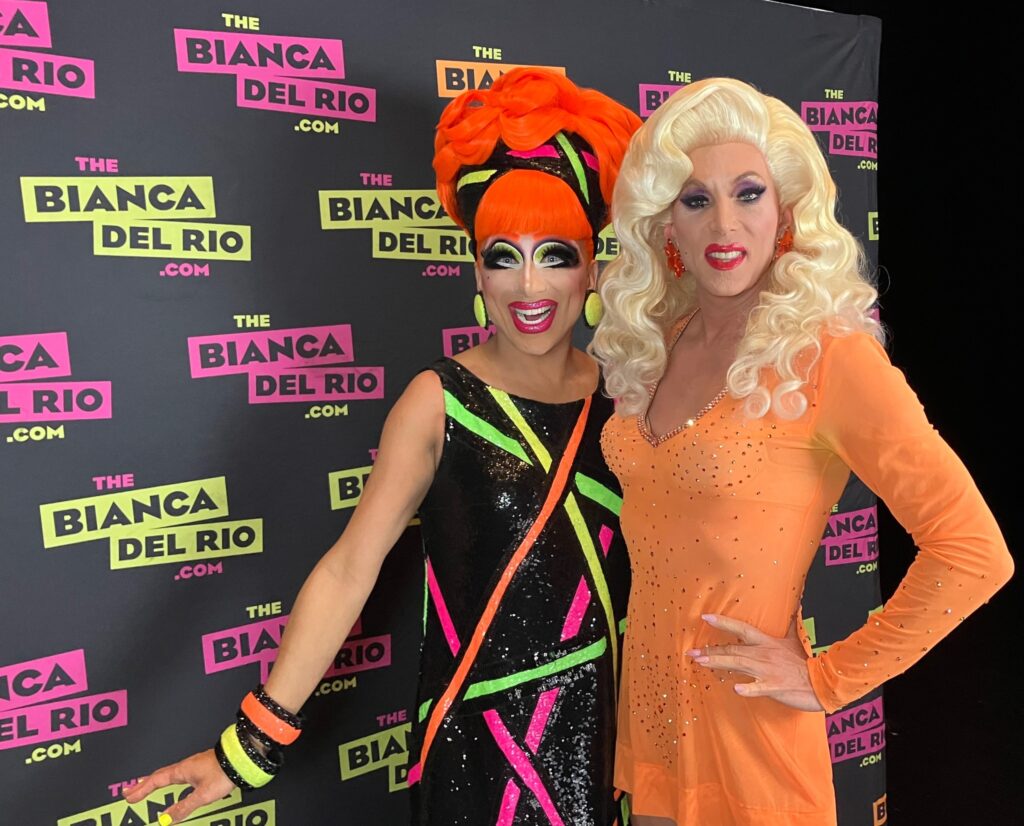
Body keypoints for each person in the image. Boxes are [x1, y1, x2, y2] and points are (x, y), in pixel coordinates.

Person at [124, 67, 641, 826]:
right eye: (503, 255)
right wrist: (248, 747)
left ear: (593, 267)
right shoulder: (437, 401)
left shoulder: (630, 397)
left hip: (615, 747)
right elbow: (348, 569)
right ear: (476, 272)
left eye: (556, 254)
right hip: (478, 755)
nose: (530, 286)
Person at [591, 77, 1013, 826]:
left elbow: (974, 551)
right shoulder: (659, 346)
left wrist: (829, 678)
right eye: (696, 199)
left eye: (748, 193)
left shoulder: (827, 357)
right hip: (650, 729)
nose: (725, 222)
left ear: (785, 212)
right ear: (666, 225)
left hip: (753, 740)